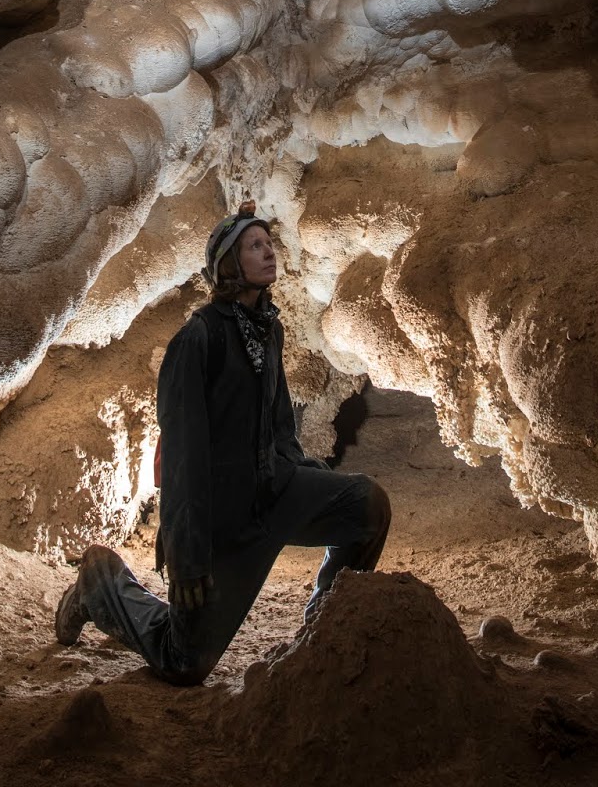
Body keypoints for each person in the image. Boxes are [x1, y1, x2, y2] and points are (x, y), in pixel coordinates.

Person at [53, 201, 391, 683]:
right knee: (184, 661)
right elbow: (182, 457)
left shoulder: (267, 330)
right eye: (255, 246)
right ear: (229, 264)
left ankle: (323, 626)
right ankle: (101, 585)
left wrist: (303, 476)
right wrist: (187, 554)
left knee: (367, 508)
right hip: (225, 521)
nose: (268, 253)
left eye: (269, 244)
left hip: (274, 493)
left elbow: (278, 428)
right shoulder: (197, 341)